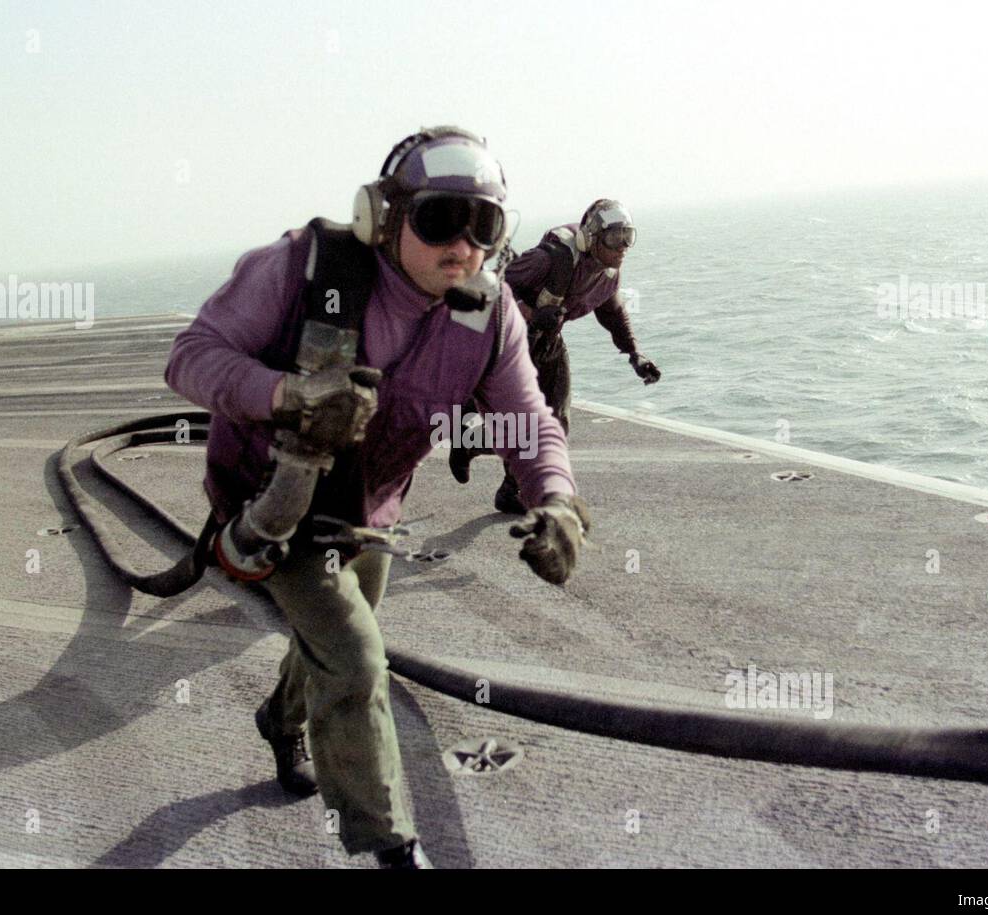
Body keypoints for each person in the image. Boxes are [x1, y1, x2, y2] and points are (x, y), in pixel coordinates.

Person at [163, 126, 591, 869]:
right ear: (383, 218)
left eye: (483, 226)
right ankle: (389, 847)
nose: (462, 247)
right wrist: (285, 395)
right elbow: (190, 357)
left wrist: (555, 498)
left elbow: (528, 420)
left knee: (335, 639)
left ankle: (279, 717)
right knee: (359, 661)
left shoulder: (488, 318)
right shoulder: (299, 270)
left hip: (369, 515)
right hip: (272, 501)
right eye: (438, 221)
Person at [450, 199, 662, 514]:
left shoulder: (607, 273)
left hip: (547, 343)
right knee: (515, 423)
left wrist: (634, 353)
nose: (623, 247)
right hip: (509, 343)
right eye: (615, 238)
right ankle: (471, 442)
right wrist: (531, 313)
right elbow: (494, 288)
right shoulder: (548, 260)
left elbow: (612, 311)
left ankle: (512, 489)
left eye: (628, 237)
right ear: (591, 237)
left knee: (556, 427)